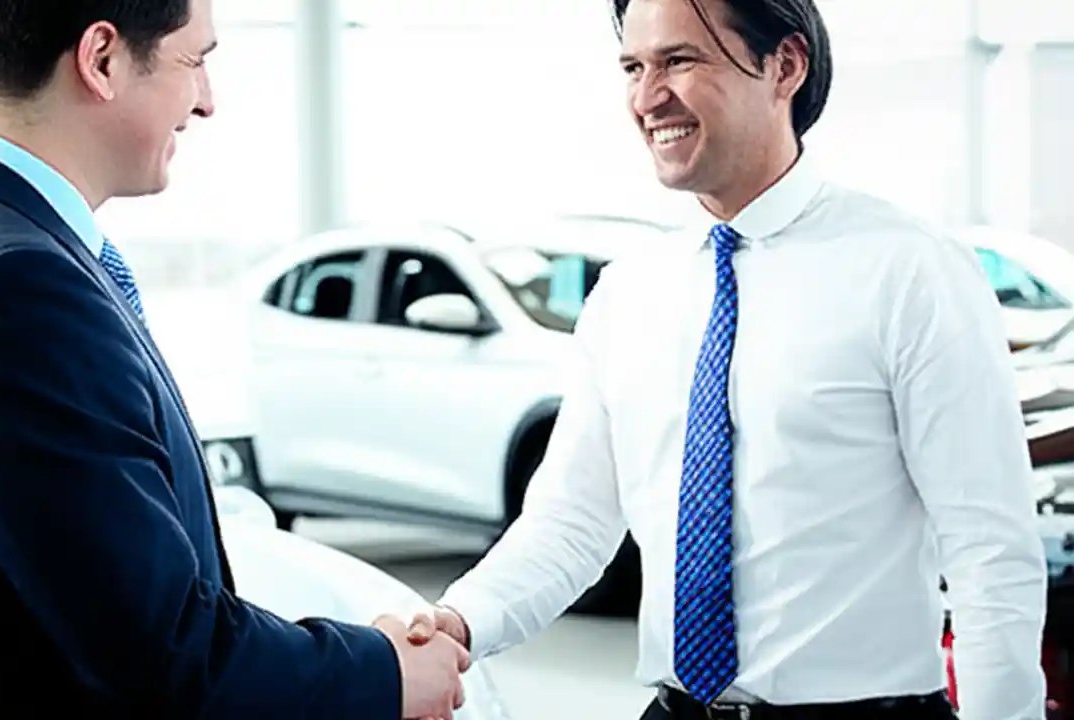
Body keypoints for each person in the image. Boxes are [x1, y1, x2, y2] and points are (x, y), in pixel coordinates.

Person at [408, 0, 1047, 718]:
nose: (649, 98)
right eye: (633, 67)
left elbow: (990, 551)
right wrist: (459, 622)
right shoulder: (630, 292)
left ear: (785, 66)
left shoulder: (910, 272)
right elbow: (572, 524)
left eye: (680, 60)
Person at [0, 1, 469, 717]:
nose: (206, 101)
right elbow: (161, 658)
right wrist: (382, 673)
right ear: (102, 59)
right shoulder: (17, 290)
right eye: (194, 61)